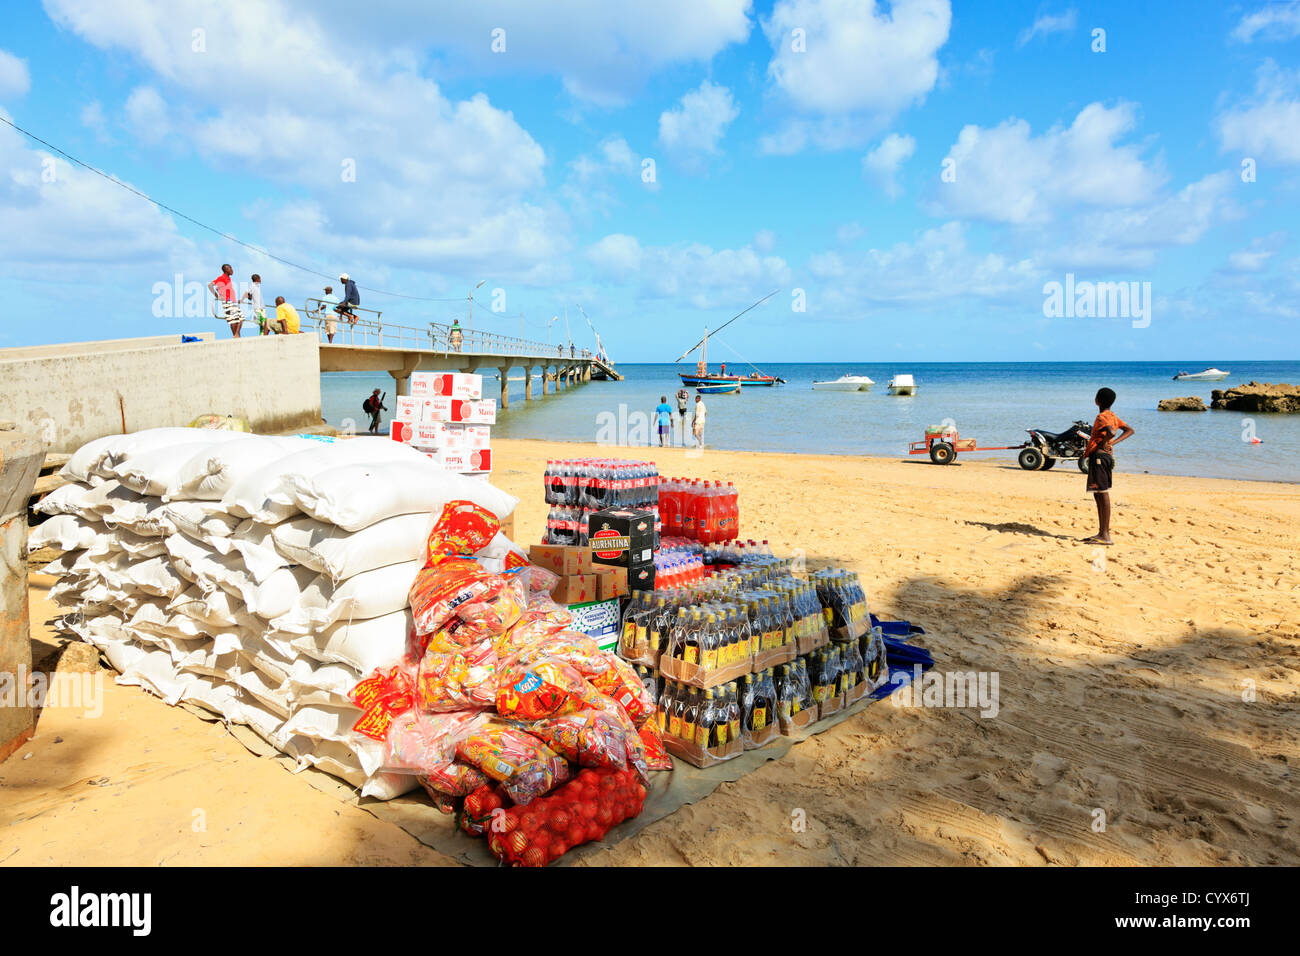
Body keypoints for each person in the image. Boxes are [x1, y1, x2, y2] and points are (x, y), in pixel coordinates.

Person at [1081, 387, 1135, 546]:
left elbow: (1111, 432)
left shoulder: (1102, 417)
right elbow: (1129, 430)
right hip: (1106, 457)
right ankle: (1101, 532)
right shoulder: (1113, 416)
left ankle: (1105, 535)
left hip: (1099, 456)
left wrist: (1106, 442)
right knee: (1098, 493)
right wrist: (1113, 444)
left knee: (1102, 493)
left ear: (1097, 400)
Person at [208, 263, 242, 337]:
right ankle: (236, 335)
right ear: (226, 270)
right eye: (230, 268)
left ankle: (236, 335)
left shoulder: (227, 278)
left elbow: (222, 289)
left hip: (231, 301)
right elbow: (210, 285)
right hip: (229, 301)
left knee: (236, 320)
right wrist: (217, 296)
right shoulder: (222, 277)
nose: (232, 270)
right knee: (237, 319)